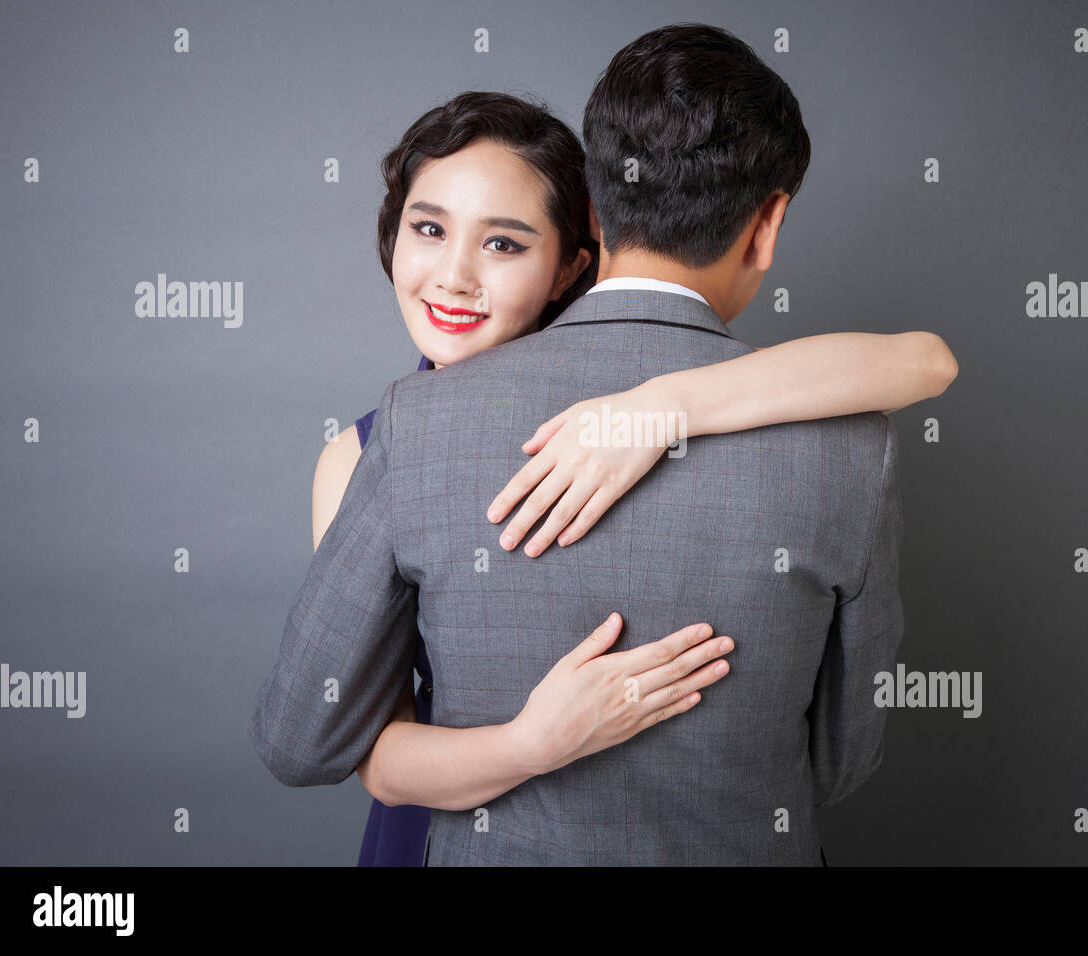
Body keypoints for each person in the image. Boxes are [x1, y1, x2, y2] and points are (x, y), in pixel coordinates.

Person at [252, 24, 951, 865]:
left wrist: (664, 409)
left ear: (587, 218)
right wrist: (532, 744)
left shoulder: (416, 424)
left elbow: (303, 738)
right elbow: (841, 762)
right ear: (768, 226)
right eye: (428, 229)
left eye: (503, 240)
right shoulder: (851, 447)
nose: (454, 277)